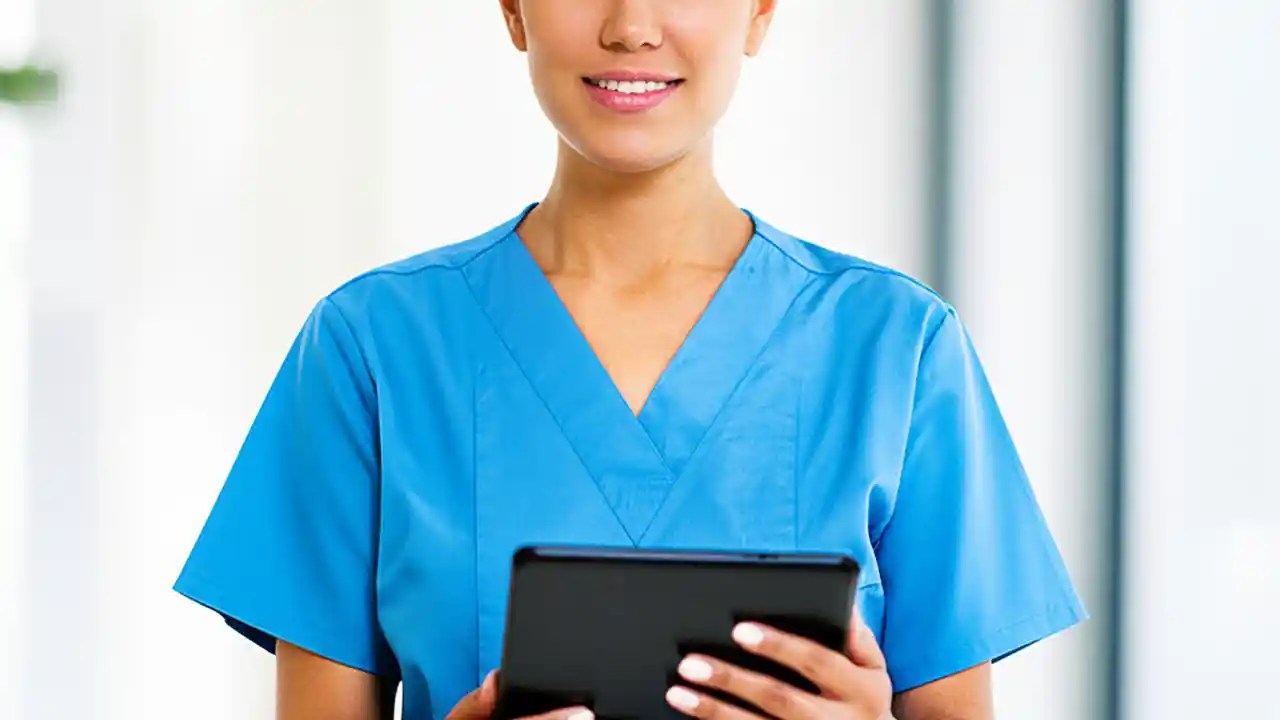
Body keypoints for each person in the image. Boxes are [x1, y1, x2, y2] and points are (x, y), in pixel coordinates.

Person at [174, 2, 1087, 718]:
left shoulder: (897, 349)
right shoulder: (371, 349)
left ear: (761, 11)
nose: (631, 26)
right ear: (511, 8)